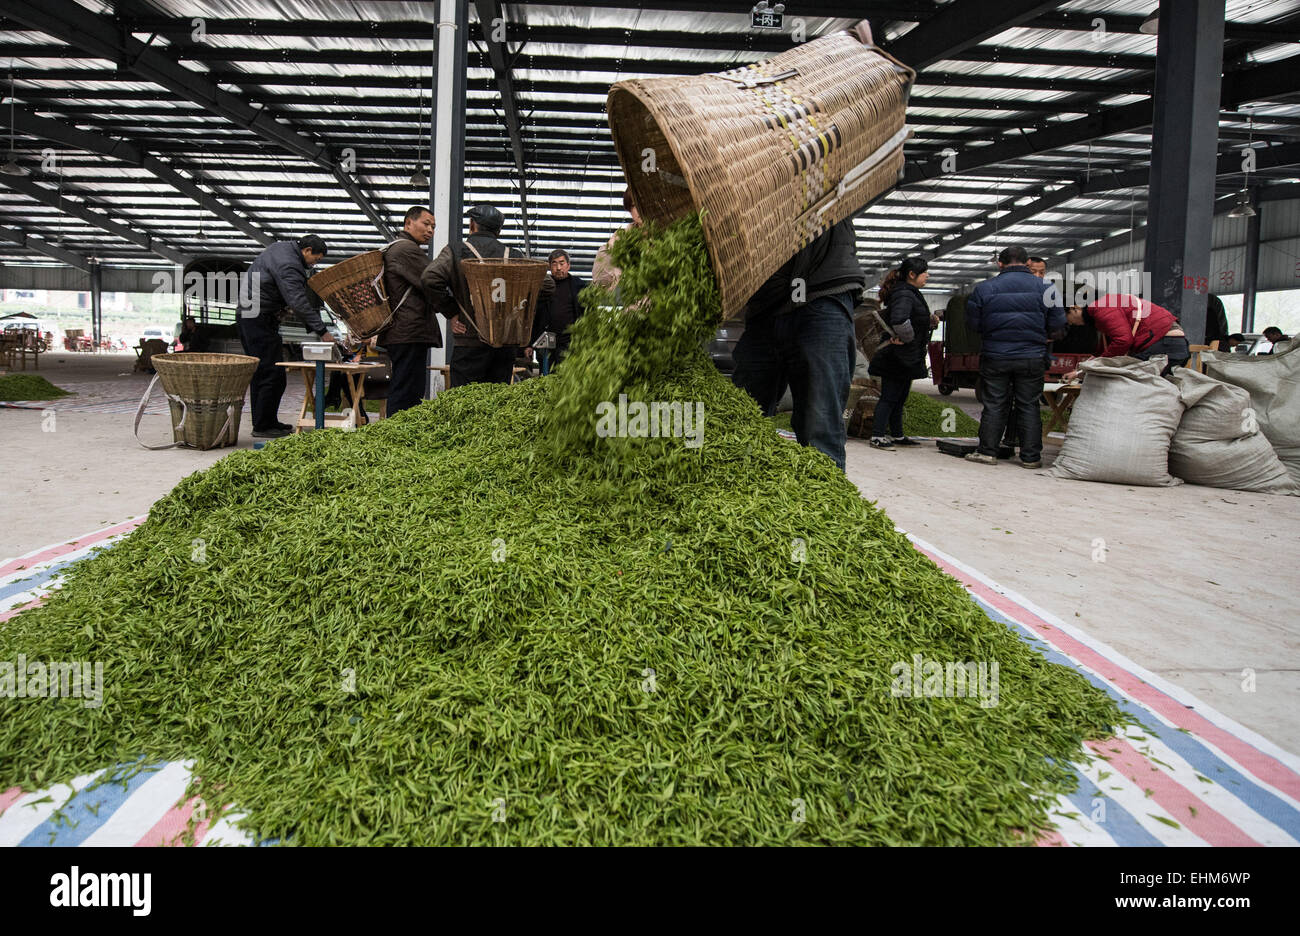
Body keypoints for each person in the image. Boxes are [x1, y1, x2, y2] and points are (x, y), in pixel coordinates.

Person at [732, 218, 867, 471]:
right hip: (766, 301)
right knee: (741, 415)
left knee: (820, 423)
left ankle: (826, 502)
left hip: (822, 288)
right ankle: (737, 499)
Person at [421, 205, 554, 387]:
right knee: (495, 402)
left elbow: (430, 278)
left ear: (472, 225)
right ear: (498, 230)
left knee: (462, 401)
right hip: (505, 343)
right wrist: (519, 307)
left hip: (469, 340)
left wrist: (452, 311)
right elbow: (547, 285)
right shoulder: (513, 255)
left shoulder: (456, 251)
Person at [964, 245, 1065, 469]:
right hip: (1032, 356)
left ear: (1000, 263)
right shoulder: (1046, 288)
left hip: (996, 355)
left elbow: (973, 324)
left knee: (995, 404)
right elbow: (1058, 324)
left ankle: (987, 452)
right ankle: (1031, 457)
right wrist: (1042, 336)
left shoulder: (984, 289)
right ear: (1027, 263)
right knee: (1028, 405)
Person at [237, 235, 335, 438]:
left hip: (251, 314)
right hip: (258, 317)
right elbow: (297, 299)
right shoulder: (290, 264)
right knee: (273, 373)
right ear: (307, 250)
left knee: (262, 372)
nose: (314, 264)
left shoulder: (281, 247)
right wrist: (322, 331)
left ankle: (265, 421)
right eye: (315, 259)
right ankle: (263, 426)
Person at [376, 206, 445, 415]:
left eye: (433, 226)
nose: (430, 230)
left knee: (405, 384)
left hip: (402, 331)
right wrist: (453, 309)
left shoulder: (395, 248)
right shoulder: (406, 250)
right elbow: (433, 281)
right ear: (408, 223)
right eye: (426, 224)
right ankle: (397, 435)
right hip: (408, 330)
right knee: (407, 389)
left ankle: (397, 432)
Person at [866, 256, 932, 451]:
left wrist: (930, 321)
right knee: (889, 396)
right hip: (897, 355)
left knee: (900, 396)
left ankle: (897, 434)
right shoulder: (904, 293)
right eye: (924, 272)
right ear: (912, 274)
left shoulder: (910, 292)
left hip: (906, 355)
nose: (927, 275)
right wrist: (908, 339)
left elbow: (913, 317)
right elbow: (900, 320)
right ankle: (877, 436)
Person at [1063, 294, 1188, 374]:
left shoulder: (1101, 309)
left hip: (1165, 343)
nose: (1072, 324)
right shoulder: (1100, 313)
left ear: (1075, 308)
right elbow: (1103, 352)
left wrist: (1098, 364)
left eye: (1068, 318)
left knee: (1126, 378)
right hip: (1171, 342)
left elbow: (1123, 341)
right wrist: (1080, 370)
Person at [527, 249, 585, 369]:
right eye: (554, 264)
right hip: (546, 343)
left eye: (562, 263)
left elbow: (586, 312)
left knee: (569, 376)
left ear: (568, 266)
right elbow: (533, 317)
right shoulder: (542, 286)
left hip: (571, 343)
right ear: (549, 267)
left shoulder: (579, 285)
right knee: (548, 377)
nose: (558, 268)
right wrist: (529, 344)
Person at [591, 188, 642, 291]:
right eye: (634, 206)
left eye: (642, 203)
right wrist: (611, 250)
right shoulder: (622, 238)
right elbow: (601, 282)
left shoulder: (668, 236)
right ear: (629, 210)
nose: (639, 209)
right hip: (637, 304)